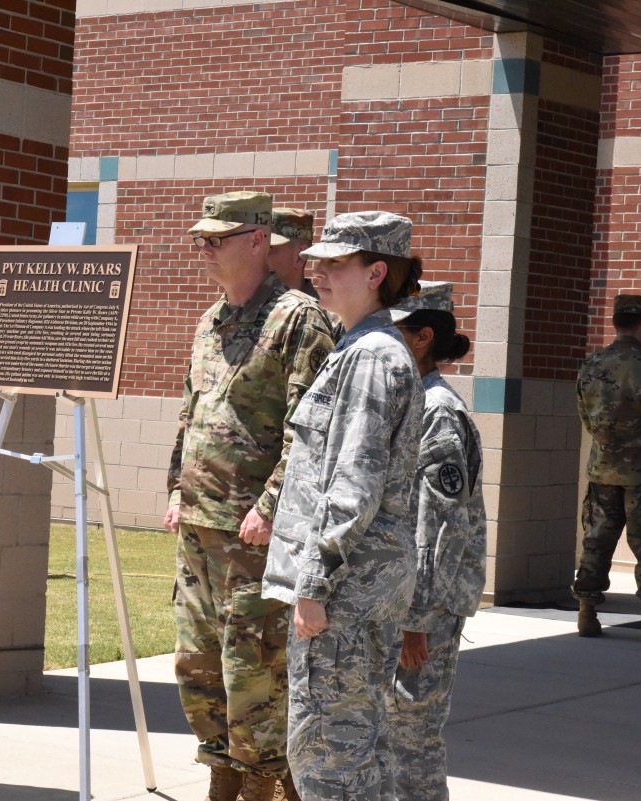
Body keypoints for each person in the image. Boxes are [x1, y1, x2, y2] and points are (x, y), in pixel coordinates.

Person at [164, 191, 336, 801]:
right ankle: (222, 773)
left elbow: (310, 430)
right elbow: (191, 414)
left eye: (218, 239)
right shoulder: (210, 320)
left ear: (258, 241)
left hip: (254, 533)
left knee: (253, 667)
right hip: (200, 524)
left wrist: (270, 506)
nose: (205, 249)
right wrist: (176, 490)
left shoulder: (297, 319)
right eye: (201, 240)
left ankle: (265, 782)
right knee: (196, 662)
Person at [262, 210, 425, 801]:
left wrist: (314, 584)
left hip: (345, 595)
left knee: (328, 761)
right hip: (356, 590)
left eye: (335, 264)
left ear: (376, 273)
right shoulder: (359, 348)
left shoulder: (371, 357)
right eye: (316, 262)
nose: (317, 272)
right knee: (355, 752)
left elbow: (354, 483)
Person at [386, 281, 487, 801]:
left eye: (395, 330)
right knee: (392, 734)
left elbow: (440, 528)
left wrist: (416, 622)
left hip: (426, 606)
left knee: (413, 739)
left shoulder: (437, 412)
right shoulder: (413, 400)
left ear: (423, 337)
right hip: (403, 598)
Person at [572, 294, 641, 643]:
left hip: (603, 468)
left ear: (615, 323)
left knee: (596, 540)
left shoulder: (591, 364)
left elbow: (586, 417)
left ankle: (587, 612)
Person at [266, 207, 315, 295]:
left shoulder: (325, 303)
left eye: (269, 248)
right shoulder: (245, 300)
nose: (256, 255)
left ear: (299, 257)